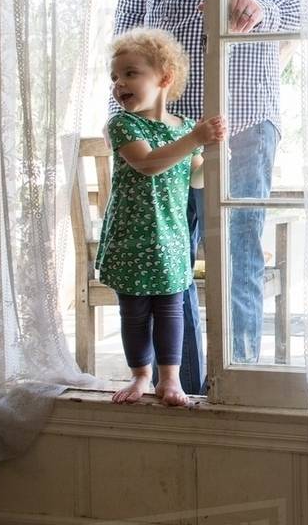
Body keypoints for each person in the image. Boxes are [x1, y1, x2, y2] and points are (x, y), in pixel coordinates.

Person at [111, 0, 301, 389]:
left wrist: (263, 9)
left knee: (236, 258)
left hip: (240, 119)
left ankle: (237, 389)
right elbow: (127, 21)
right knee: (169, 265)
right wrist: (126, 110)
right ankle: (186, 390)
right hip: (164, 128)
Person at [96, 28, 227, 407]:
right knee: (135, 311)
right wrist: (196, 140)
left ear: (164, 78)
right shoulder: (124, 125)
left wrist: (214, 162)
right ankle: (140, 376)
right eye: (115, 77)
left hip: (169, 236)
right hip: (131, 237)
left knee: (171, 308)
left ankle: (169, 380)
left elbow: (195, 175)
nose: (119, 83)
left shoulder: (184, 127)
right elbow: (149, 164)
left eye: (130, 73)